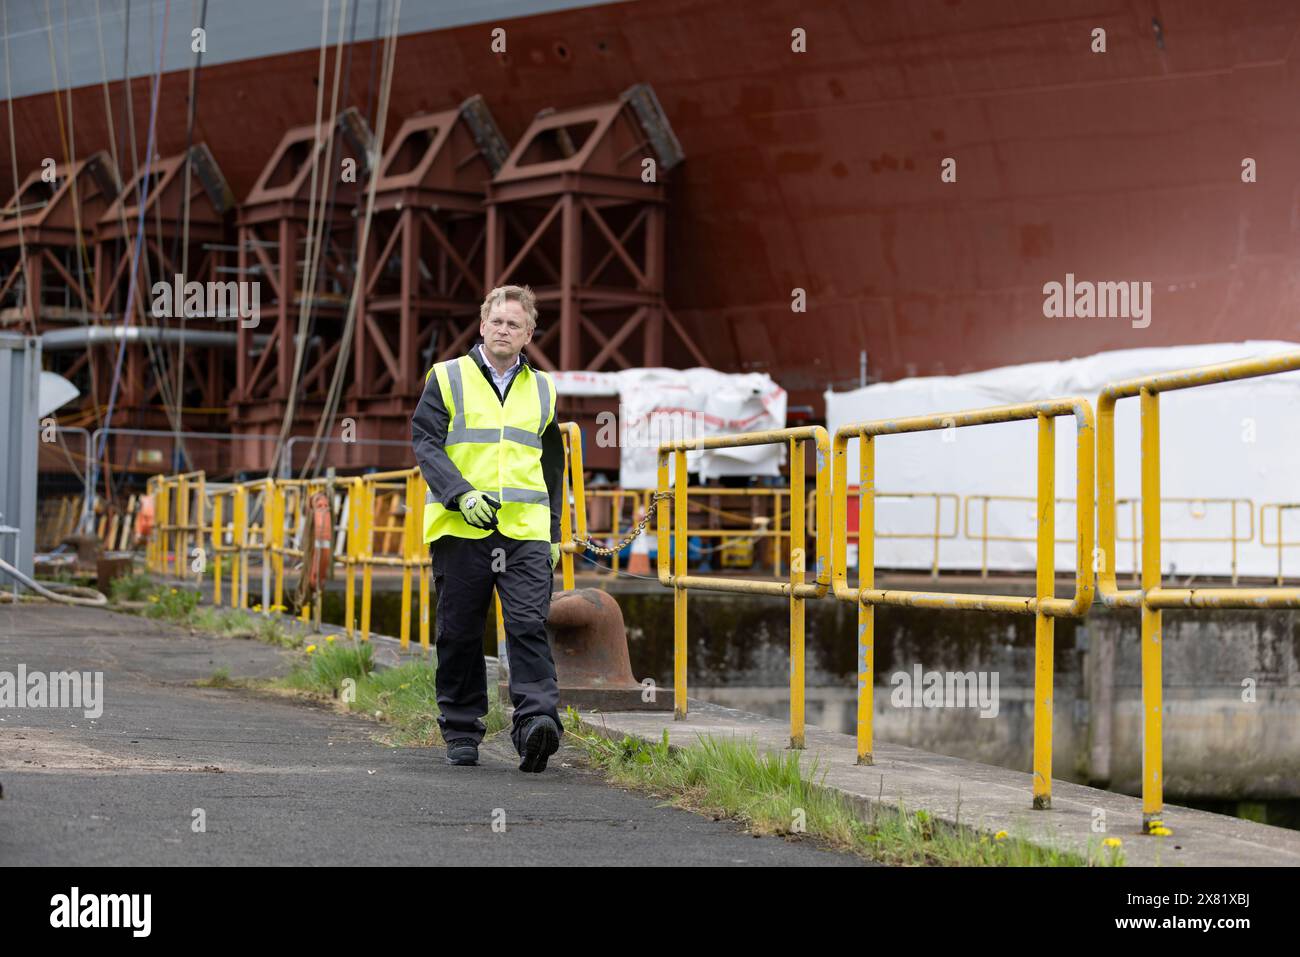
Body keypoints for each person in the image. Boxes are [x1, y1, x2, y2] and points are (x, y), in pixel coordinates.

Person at [411, 284, 565, 772]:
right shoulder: (447, 377)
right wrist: (461, 493)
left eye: (514, 324)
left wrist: (555, 531)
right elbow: (426, 442)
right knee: (459, 632)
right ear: (482, 326)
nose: (504, 330)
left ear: (528, 334)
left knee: (527, 625)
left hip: (525, 532)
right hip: (462, 529)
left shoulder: (543, 388)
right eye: (496, 321)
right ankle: (461, 729)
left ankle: (536, 724)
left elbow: (552, 466)